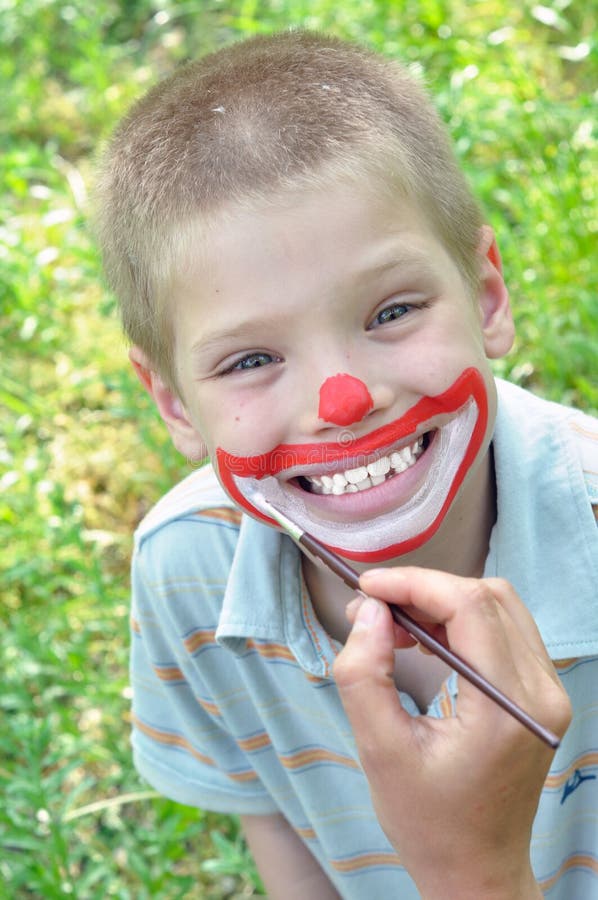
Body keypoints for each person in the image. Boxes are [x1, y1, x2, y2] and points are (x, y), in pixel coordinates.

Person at [94, 31, 598, 898]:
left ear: (487, 297)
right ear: (174, 402)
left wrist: (471, 874)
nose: (344, 398)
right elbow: (281, 827)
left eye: (392, 310)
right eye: (250, 360)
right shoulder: (187, 575)